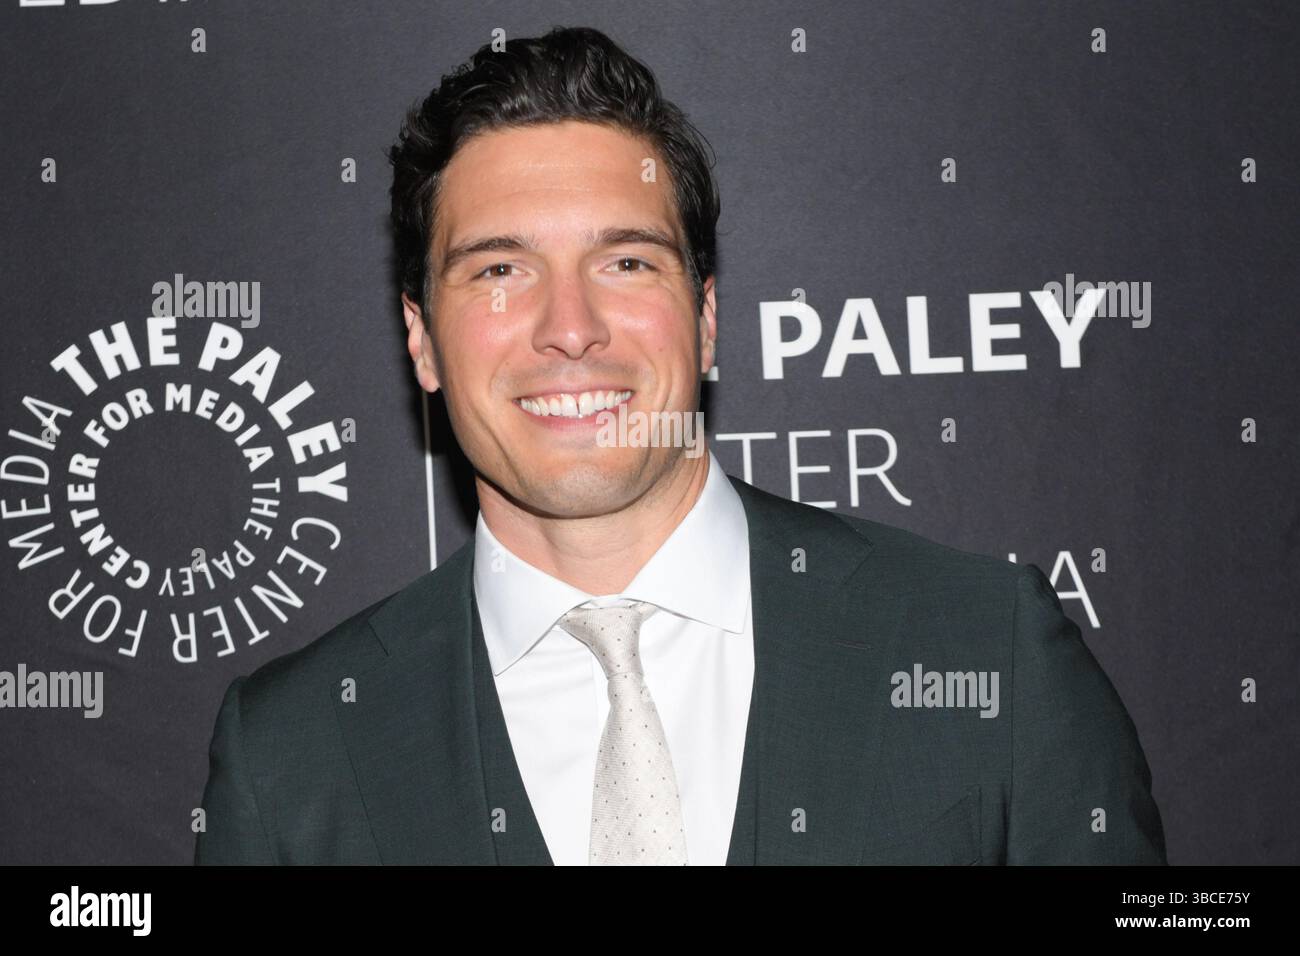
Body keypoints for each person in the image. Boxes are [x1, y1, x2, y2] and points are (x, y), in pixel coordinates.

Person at [195, 25, 1166, 865]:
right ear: (421, 339)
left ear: (704, 319)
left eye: (624, 261)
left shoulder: (986, 647)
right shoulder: (293, 750)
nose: (568, 326)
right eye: (499, 267)